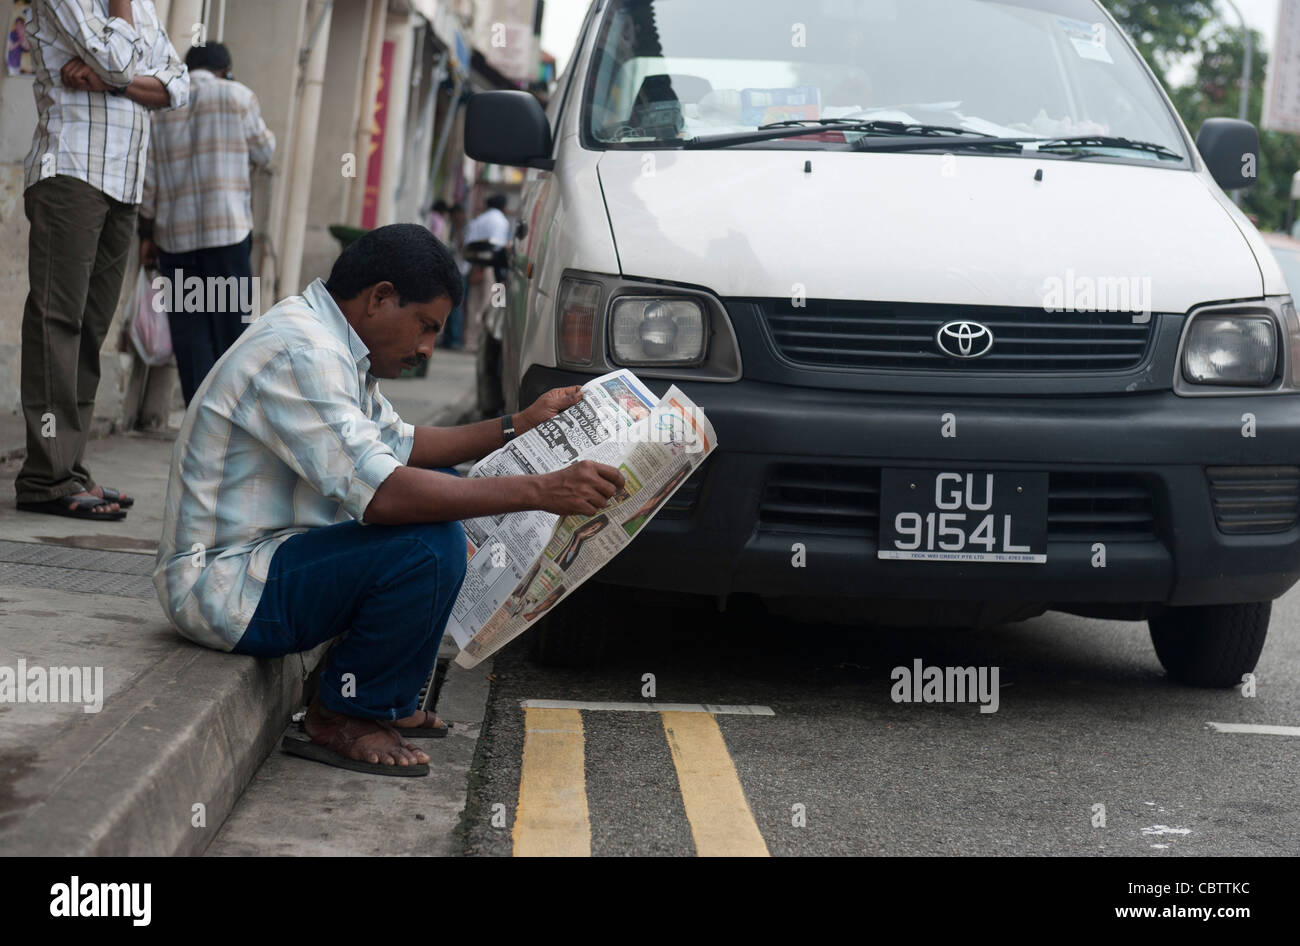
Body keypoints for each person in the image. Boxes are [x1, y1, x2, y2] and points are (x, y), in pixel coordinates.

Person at [153, 225, 625, 776]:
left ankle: (388, 699)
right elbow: (384, 494)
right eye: (425, 327)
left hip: (273, 562)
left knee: (441, 494)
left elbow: (404, 446)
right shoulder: (303, 351)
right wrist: (541, 490)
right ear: (379, 298)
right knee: (427, 541)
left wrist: (517, 426)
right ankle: (343, 715)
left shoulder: (337, 346)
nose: (426, 349)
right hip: (222, 587)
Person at [15, 0, 187, 522]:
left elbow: (178, 84)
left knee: (90, 329)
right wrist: (122, 75)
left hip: (124, 183)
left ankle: (70, 466)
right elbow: (117, 59)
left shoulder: (140, 6)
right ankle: (47, 476)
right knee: (57, 323)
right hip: (71, 171)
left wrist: (111, 82)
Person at [139, 41, 274, 405]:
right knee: (233, 330)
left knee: (190, 332)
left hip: (175, 238)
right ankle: (234, 414)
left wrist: (146, 233)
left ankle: (199, 418)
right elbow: (265, 152)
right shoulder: (239, 96)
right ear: (224, 69)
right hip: (227, 233)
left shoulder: (163, 106)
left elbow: (148, 181)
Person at [460, 193, 511, 352]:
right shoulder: (501, 220)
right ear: (503, 206)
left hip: (475, 266)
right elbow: (496, 246)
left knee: (473, 305)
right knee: (494, 304)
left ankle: (470, 342)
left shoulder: (479, 219)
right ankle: (486, 343)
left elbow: (468, 244)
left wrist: (476, 268)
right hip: (493, 269)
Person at [437, 202, 469, 350]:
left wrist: (458, 231)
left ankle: (455, 339)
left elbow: (464, 249)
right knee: (448, 306)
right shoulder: (453, 228)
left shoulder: (466, 228)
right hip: (451, 270)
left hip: (461, 272)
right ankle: (448, 338)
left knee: (457, 307)